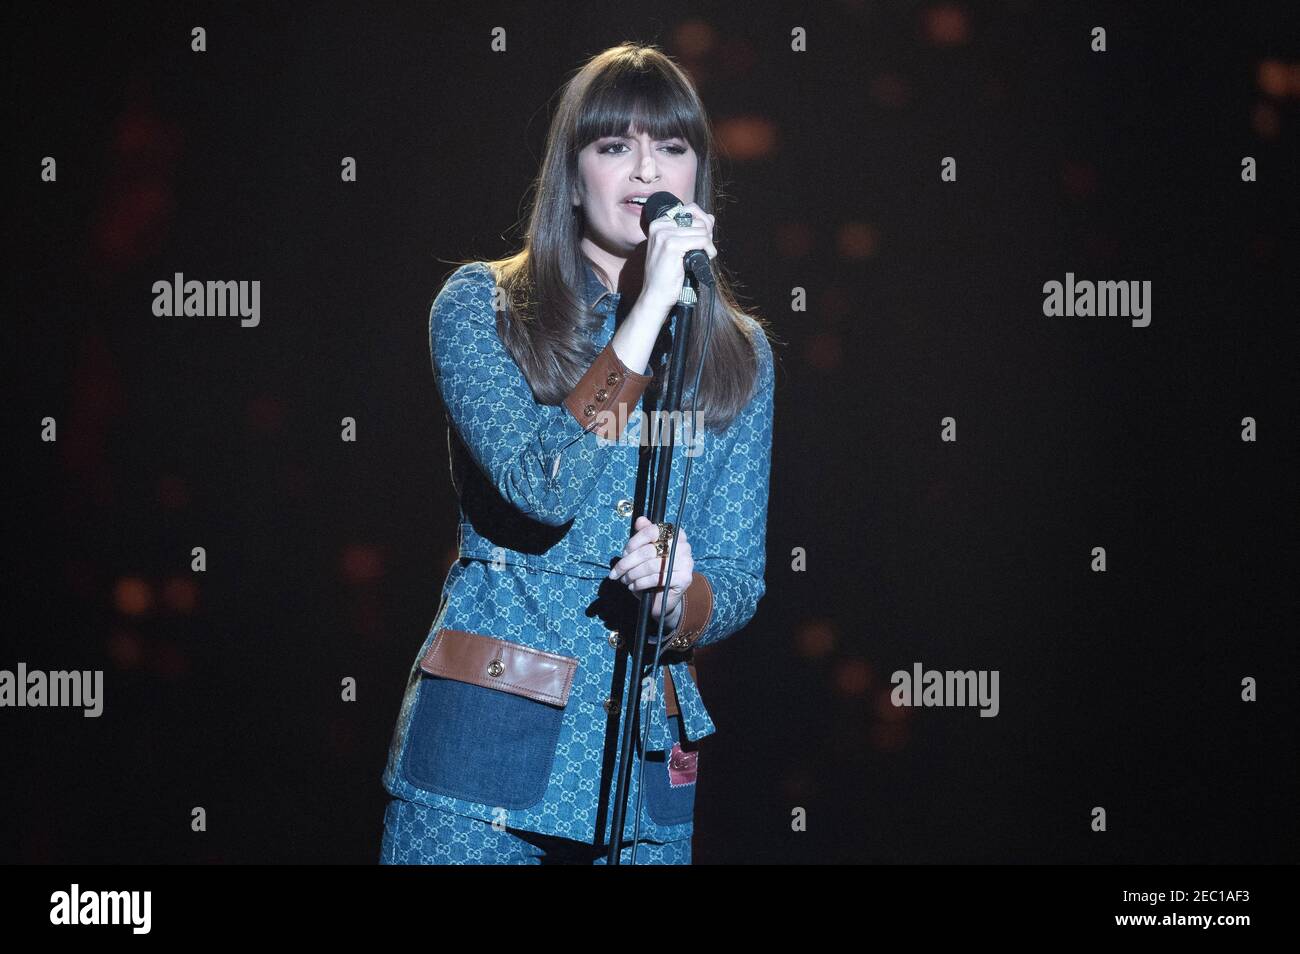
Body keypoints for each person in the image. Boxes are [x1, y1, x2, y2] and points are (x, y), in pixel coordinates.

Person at [379, 42, 775, 865]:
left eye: (671, 147)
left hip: (641, 768)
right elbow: (539, 487)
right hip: (481, 761)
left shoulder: (736, 351)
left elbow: (738, 574)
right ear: (572, 171)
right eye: (614, 146)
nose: (646, 171)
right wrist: (644, 316)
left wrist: (681, 595)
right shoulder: (485, 307)